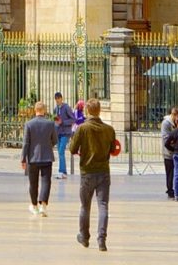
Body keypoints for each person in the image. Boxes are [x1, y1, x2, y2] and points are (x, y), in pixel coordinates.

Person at [67, 99, 117, 251]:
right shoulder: (109, 129)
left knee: (85, 206)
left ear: (87, 111)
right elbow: (113, 149)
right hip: (103, 172)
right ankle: (101, 240)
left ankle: (84, 236)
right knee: (103, 205)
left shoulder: (82, 128)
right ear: (99, 110)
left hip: (87, 172)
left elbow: (72, 149)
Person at [20, 101, 57, 215]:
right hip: (47, 157)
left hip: (33, 158)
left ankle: (34, 205)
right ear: (44, 110)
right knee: (46, 181)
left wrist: (23, 159)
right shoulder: (50, 124)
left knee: (33, 183)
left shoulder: (29, 124)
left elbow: (26, 143)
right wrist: (48, 146)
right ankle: (43, 205)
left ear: (35, 110)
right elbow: (55, 140)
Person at [160, 107, 178, 198]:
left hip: (177, 152)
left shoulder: (177, 123)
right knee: (170, 173)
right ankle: (170, 190)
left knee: (177, 173)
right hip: (168, 153)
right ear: (173, 115)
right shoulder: (166, 123)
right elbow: (166, 139)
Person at [53, 93, 76, 179]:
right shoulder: (55, 109)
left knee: (61, 151)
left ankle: (62, 172)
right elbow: (55, 120)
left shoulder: (66, 107)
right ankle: (62, 171)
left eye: (58, 98)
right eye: (56, 99)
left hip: (65, 133)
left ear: (61, 98)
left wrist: (63, 122)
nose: (57, 100)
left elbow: (73, 119)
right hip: (58, 133)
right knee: (60, 152)